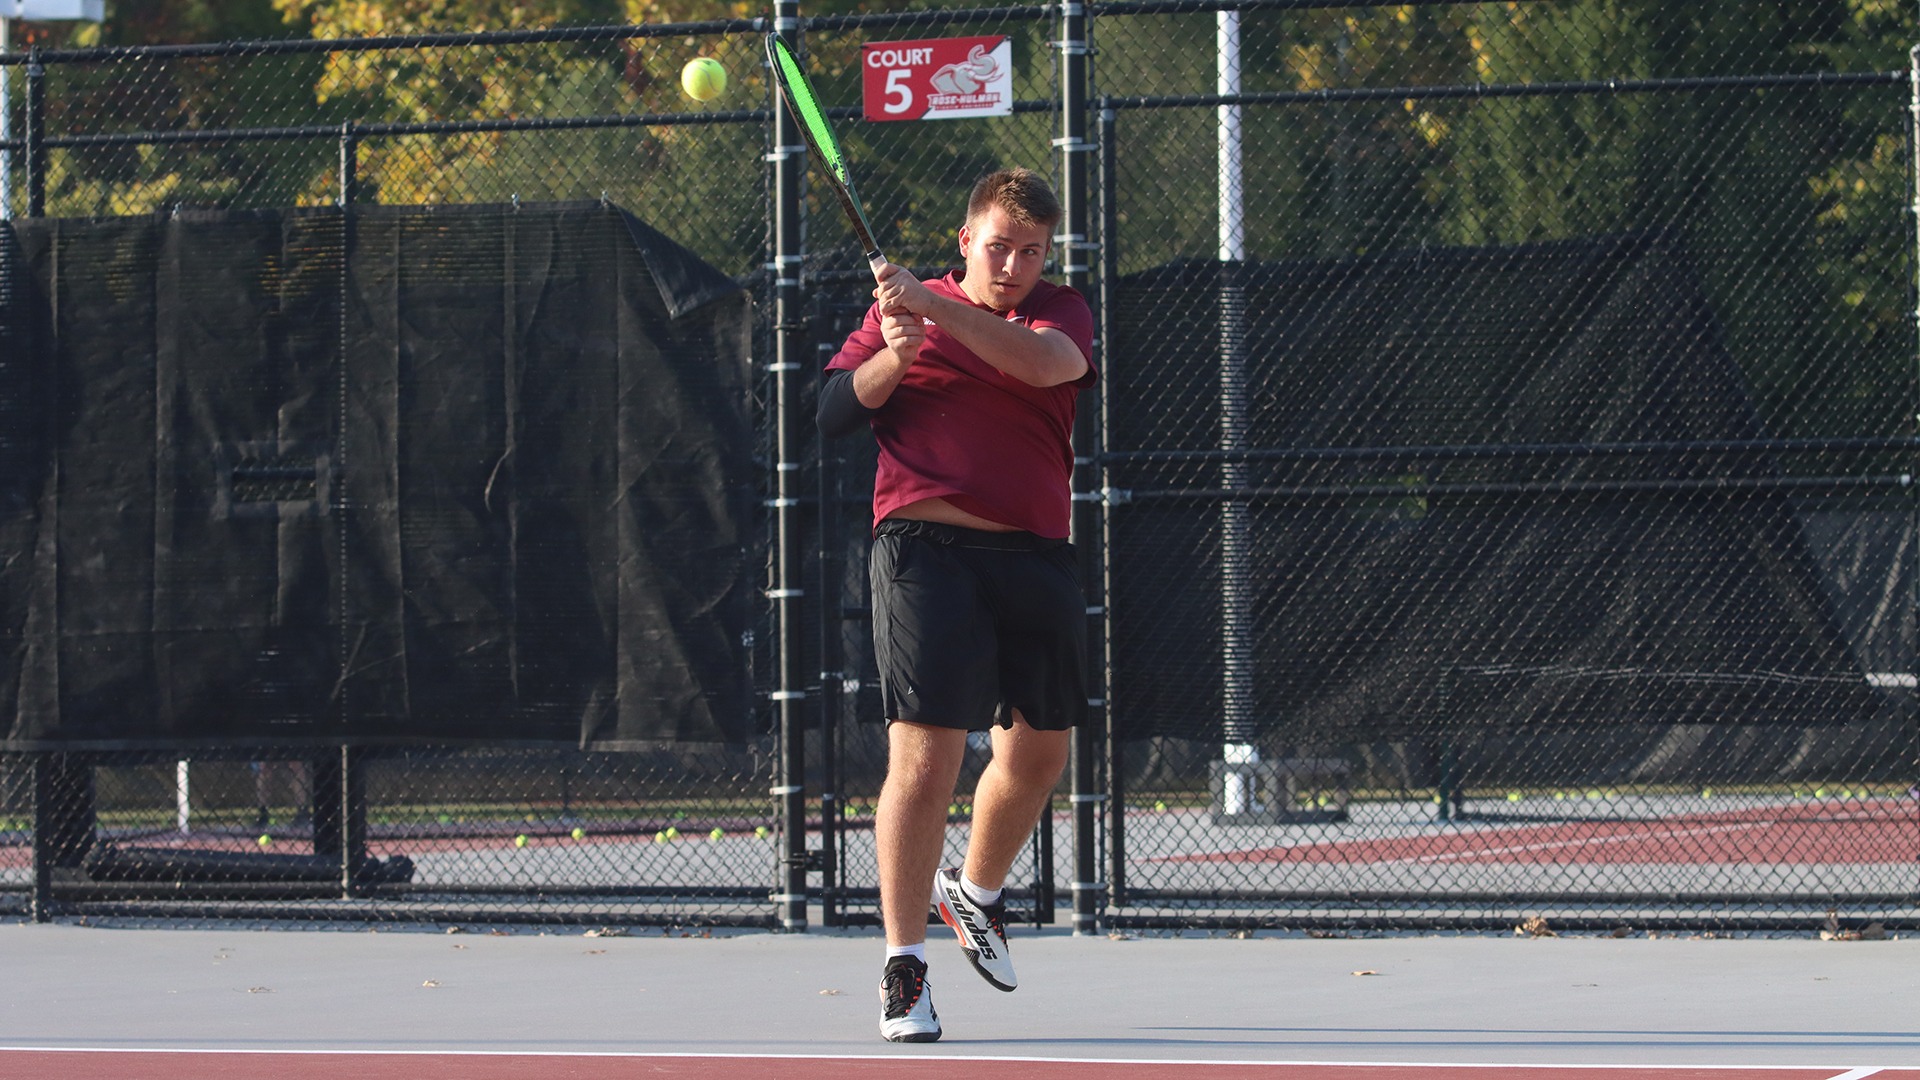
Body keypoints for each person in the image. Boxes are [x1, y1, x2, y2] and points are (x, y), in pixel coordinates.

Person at [817, 167, 1096, 1043]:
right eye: (1000, 246)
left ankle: (974, 893)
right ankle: (905, 969)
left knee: (1039, 756)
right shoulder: (899, 314)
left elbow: (1046, 365)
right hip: (923, 552)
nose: (1014, 265)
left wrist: (934, 312)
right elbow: (831, 411)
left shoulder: (1059, 312)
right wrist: (896, 355)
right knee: (926, 756)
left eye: (1032, 251)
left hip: (1034, 553)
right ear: (966, 239)